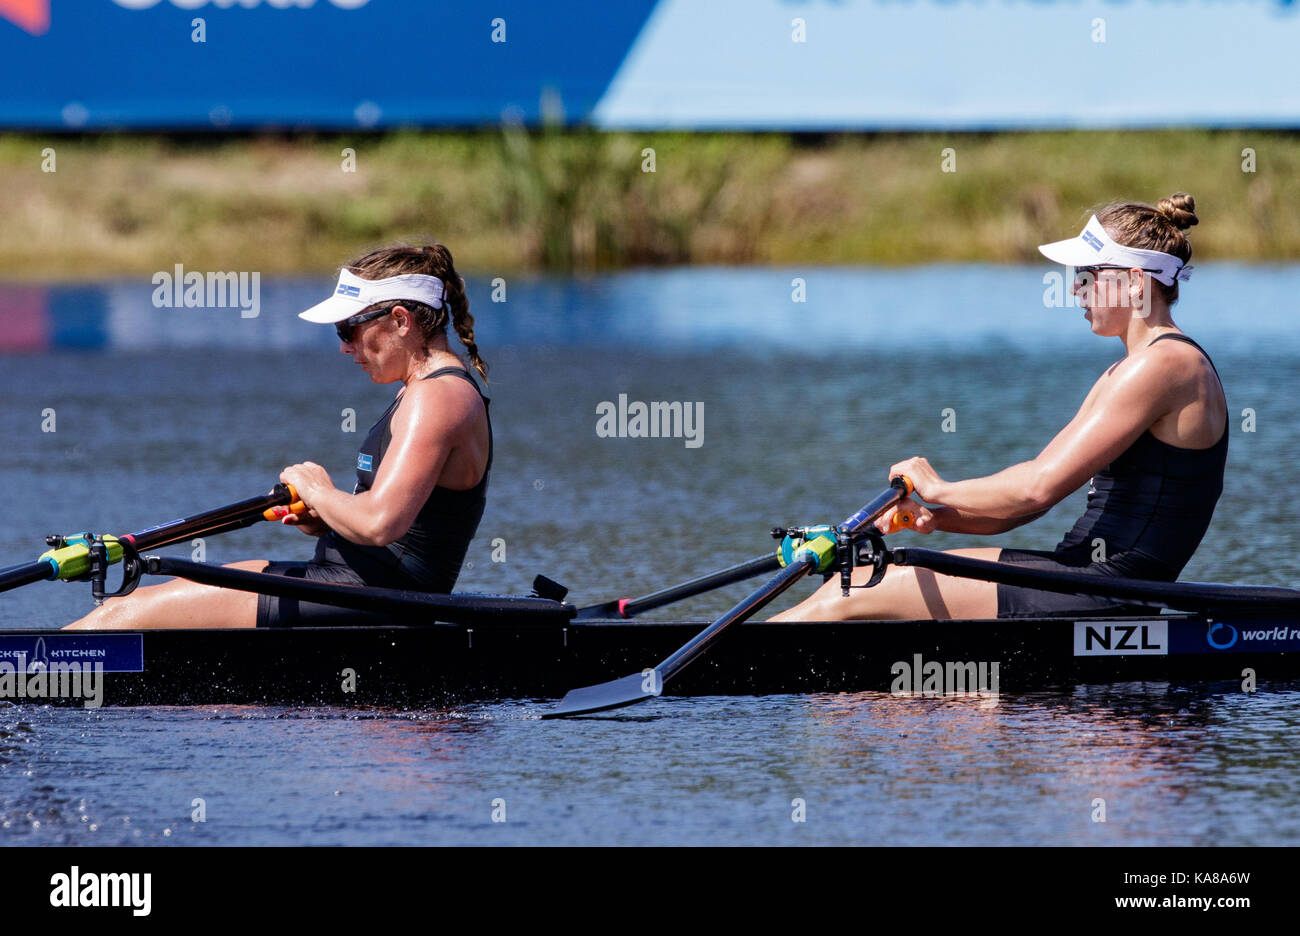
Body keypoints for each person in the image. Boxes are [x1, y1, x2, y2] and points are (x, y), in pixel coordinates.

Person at [772, 193, 1226, 622]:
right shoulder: (1128, 371)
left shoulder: (1167, 365)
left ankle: (727, 673)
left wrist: (938, 487)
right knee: (848, 584)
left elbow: (1036, 489)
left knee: (854, 591)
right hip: (1078, 573)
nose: (1076, 292)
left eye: (1087, 276)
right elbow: (1026, 508)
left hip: (1110, 591)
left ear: (1133, 282)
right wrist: (935, 518)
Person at [66, 242, 491, 629]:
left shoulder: (436, 399)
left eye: (349, 329)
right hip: (349, 585)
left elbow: (381, 524)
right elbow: (403, 520)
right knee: (132, 607)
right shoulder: (427, 391)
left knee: (116, 618)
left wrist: (317, 489)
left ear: (400, 320)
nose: (345, 347)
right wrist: (327, 518)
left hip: (373, 597)